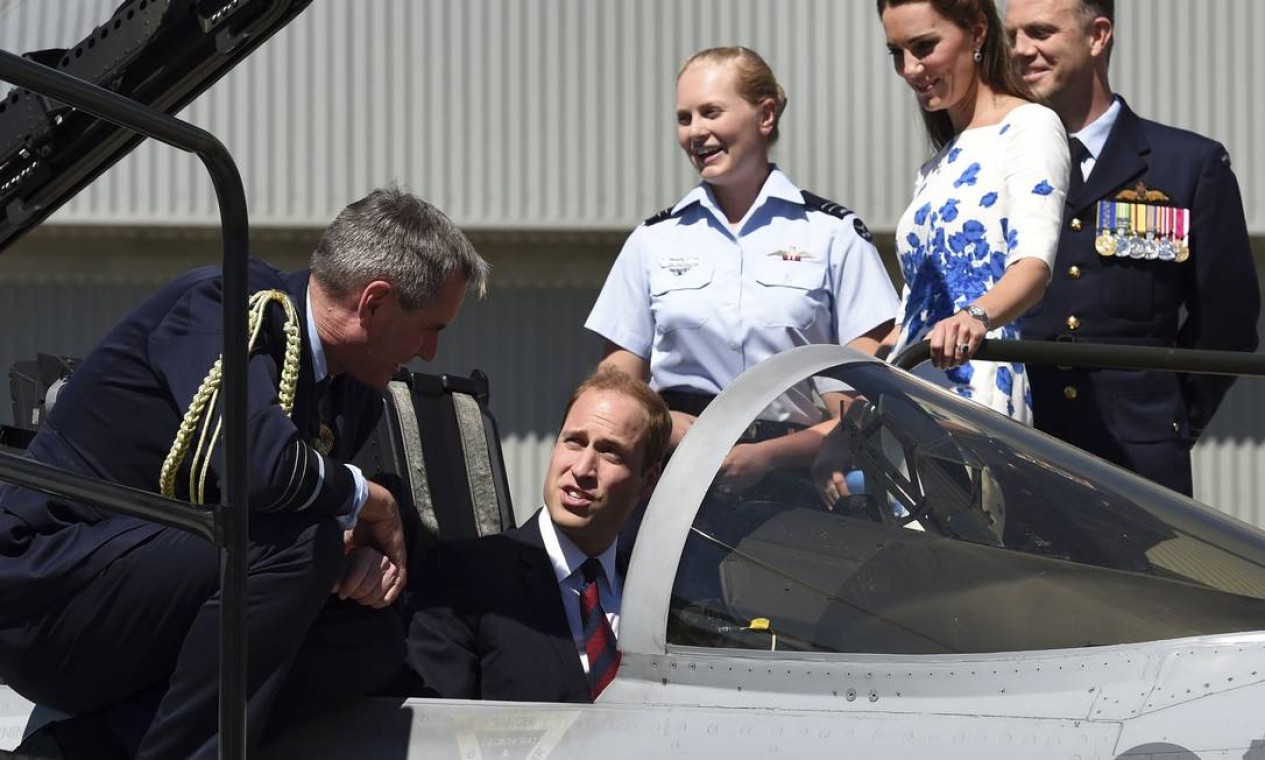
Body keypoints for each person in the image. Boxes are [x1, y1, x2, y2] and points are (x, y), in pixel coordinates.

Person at [0, 187, 489, 759]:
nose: (429, 354)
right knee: (299, 546)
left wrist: (356, 551)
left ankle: (76, 752)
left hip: (145, 603)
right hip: (46, 592)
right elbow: (255, 468)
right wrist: (361, 499)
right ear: (373, 304)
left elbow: (306, 512)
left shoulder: (351, 394)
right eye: (430, 328)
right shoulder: (227, 306)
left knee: (369, 641)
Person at [585, 46, 897, 493]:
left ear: (765, 115)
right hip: (674, 470)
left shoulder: (834, 234)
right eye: (684, 117)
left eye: (711, 112)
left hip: (792, 477)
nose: (696, 131)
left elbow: (862, 400)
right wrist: (666, 427)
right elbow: (614, 381)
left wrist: (767, 457)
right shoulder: (652, 240)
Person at [1004, 0, 1260, 495]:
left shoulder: (1186, 165)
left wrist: (1170, 421)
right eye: (1011, 35)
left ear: (1098, 36)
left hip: (1134, 470)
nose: (1020, 50)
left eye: (1039, 32)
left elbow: (1227, 320)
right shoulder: (996, 162)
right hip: (1015, 455)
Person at [403, 367, 670, 702]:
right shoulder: (462, 577)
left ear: (648, 480)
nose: (583, 468)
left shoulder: (664, 603)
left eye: (610, 452)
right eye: (574, 441)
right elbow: (435, 732)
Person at [878, 0, 1070, 423]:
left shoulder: (1030, 126)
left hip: (976, 391)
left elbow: (1032, 268)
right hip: (908, 394)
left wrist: (975, 316)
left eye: (924, 46)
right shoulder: (936, 164)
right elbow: (918, 306)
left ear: (978, 32)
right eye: (896, 52)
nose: (910, 68)